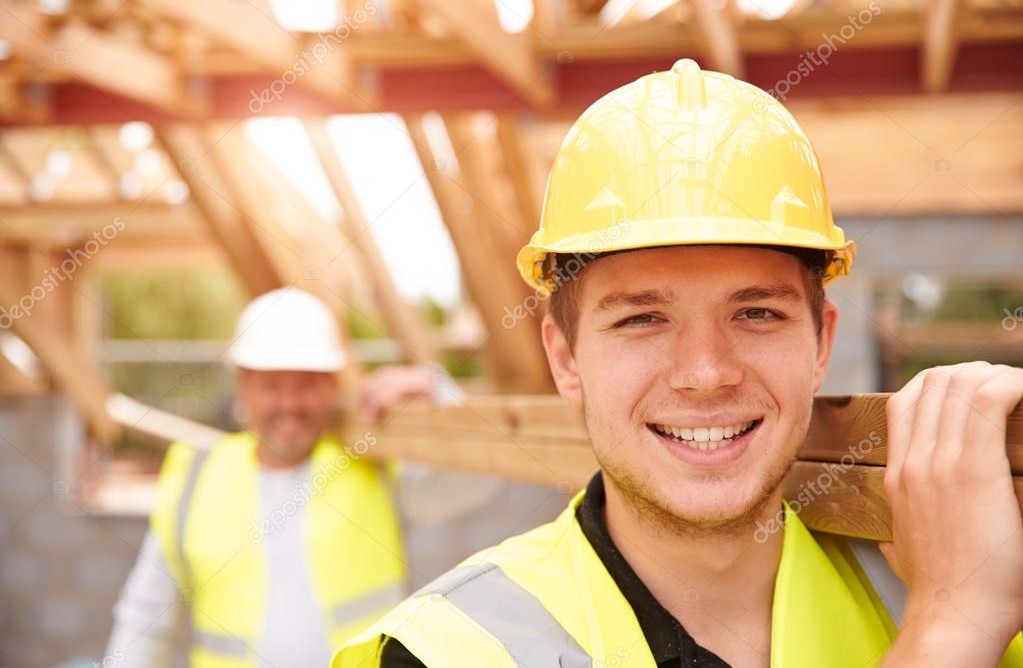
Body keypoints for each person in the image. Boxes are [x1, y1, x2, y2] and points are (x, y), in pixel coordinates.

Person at [332, 60, 1023, 666]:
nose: (705, 372)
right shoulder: (459, 651)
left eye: (754, 313)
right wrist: (952, 629)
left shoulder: (962, 579)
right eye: (642, 319)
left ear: (820, 344)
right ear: (564, 358)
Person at [106, 288, 406, 667]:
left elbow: (477, 481)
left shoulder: (374, 466)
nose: (289, 404)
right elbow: (144, 618)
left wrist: (438, 391)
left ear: (333, 386)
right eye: (272, 385)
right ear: (243, 387)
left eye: (307, 384)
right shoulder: (196, 478)